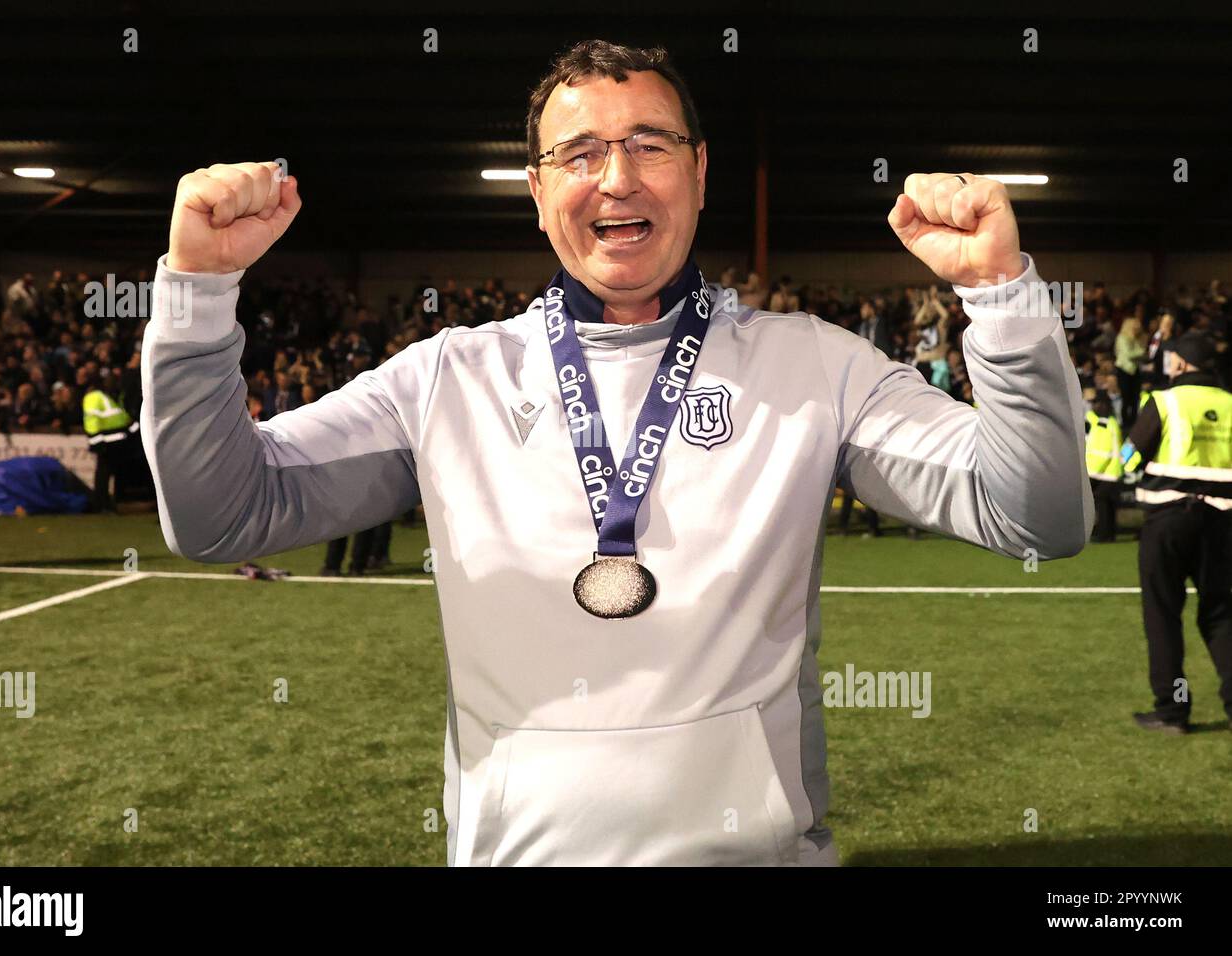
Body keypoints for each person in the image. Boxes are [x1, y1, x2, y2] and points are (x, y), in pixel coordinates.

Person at [141, 39, 1090, 866]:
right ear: (539, 190)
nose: (618, 177)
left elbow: (1034, 515)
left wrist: (1002, 298)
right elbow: (227, 514)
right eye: (580, 153)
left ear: (701, 171)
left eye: (649, 144)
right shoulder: (442, 381)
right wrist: (197, 292)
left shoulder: (816, 368)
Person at [1127, 331, 1232, 734]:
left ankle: (1173, 710)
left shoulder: (1165, 401)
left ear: (1182, 364)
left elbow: (1129, 456)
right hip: (1222, 523)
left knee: (1163, 615)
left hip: (1168, 520)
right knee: (1221, 614)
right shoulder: (1228, 403)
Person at [83, 372, 138, 513]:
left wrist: (134, 428)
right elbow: (91, 421)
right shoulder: (95, 397)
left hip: (118, 442)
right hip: (106, 443)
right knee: (103, 475)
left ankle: (113, 503)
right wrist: (97, 442)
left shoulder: (112, 395)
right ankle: (101, 504)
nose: (112, 382)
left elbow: (121, 418)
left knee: (116, 474)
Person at [1083, 386, 1130, 543]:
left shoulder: (1103, 424)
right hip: (1113, 471)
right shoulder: (1110, 422)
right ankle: (1109, 534)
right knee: (1108, 505)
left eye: (1096, 403)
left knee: (1102, 503)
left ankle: (1104, 534)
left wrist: (1090, 473)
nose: (1093, 406)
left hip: (1105, 472)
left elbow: (1103, 453)